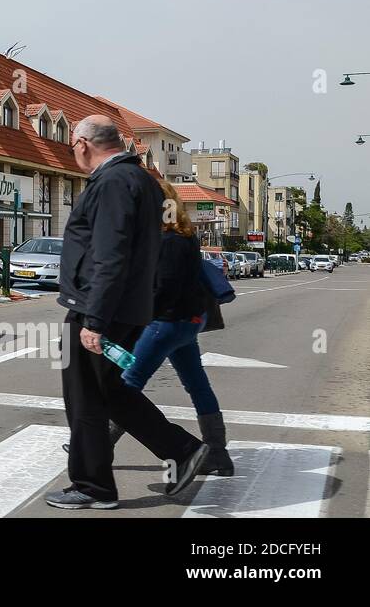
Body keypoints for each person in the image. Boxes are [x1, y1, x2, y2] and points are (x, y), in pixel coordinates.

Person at [48, 115, 209, 509]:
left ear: (83, 144)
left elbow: (110, 254)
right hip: (124, 307)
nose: (75, 154)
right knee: (112, 394)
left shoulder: (113, 182)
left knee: (85, 399)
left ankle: (93, 487)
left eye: (73, 146)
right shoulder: (141, 181)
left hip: (100, 308)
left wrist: (94, 321)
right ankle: (182, 449)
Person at [113, 179, 232, 475]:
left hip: (165, 322)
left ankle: (98, 442)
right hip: (188, 322)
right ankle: (218, 452)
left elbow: (163, 288)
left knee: (126, 385)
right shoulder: (187, 235)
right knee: (197, 384)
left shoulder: (166, 240)